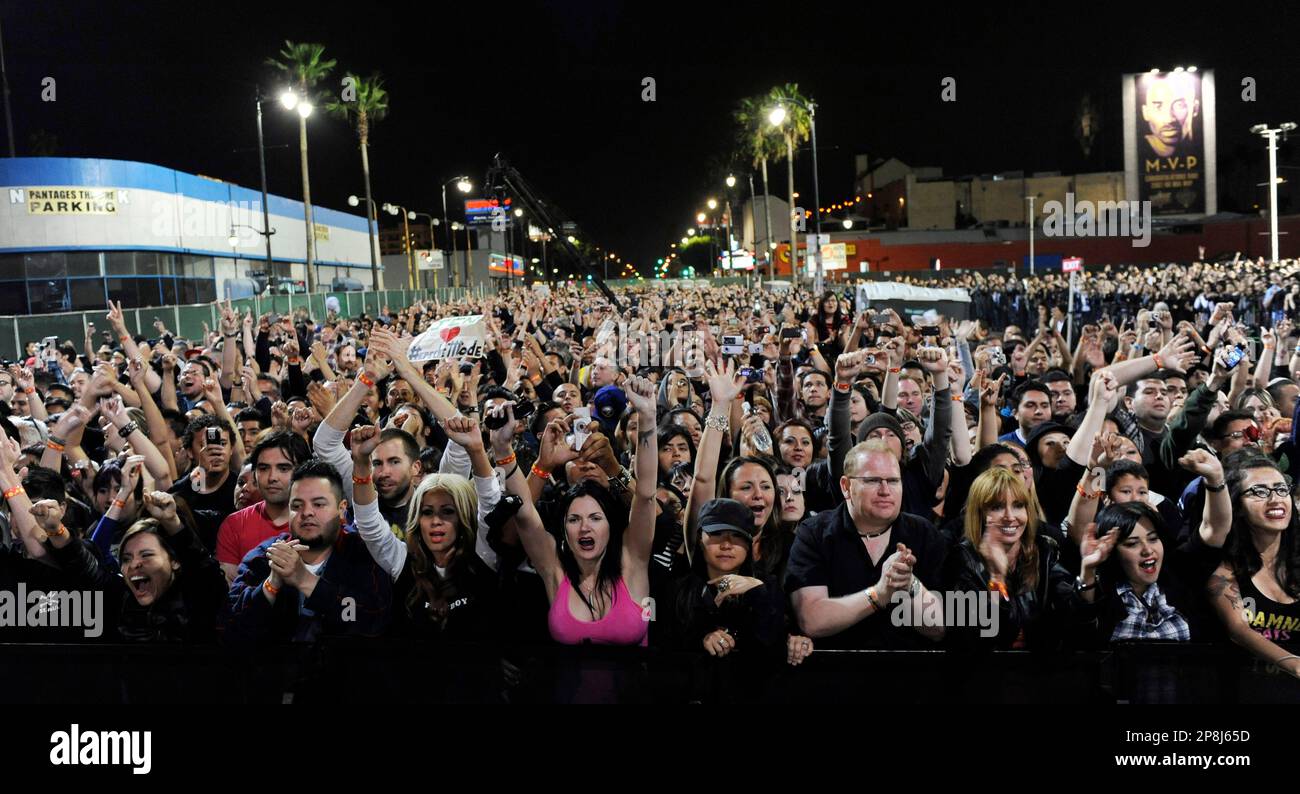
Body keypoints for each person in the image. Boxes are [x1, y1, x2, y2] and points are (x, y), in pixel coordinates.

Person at [494, 376, 658, 648]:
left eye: (595, 518)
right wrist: (503, 449)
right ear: (564, 529)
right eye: (574, 519)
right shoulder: (554, 572)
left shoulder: (633, 561)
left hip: (632, 691)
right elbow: (524, 515)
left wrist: (648, 417)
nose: (585, 528)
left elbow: (646, 495)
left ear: (610, 525)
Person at [785, 439, 948, 649]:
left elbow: (940, 629)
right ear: (846, 486)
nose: (885, 490)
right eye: (872, 481)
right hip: (834, 674)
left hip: (909, 674)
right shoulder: (814, 533)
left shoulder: (924, 533)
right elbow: (812, 620)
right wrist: (878, 594)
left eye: (893, 481)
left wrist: (909, 584)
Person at [351, 419, 501, 642]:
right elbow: (369, 523)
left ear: (463, 517)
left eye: (448, 512)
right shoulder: (403, 561)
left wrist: (477, 449)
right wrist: (362, 462)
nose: (436, 521)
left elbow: (490, 504)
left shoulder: (483, 554)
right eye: (427, 512)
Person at [224, 459, 393, 644]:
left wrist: (305, 580)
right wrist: (271, 586)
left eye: (318, 504)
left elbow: (374, 620)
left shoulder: (363, 553)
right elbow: (231, 628)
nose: (306, 513)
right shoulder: (263, 557)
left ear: (342, 509)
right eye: (296, 506)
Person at [36, 490, 227, 643]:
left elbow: (205, 571)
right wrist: (56, 529)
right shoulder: (119, 599)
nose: (134, 564)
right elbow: (85, 566)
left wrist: (172, 522)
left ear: (175, 561)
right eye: (126, 558)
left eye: (147, 555)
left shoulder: (198, 596)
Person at [941, 467, 1078, 650]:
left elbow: (1072, 619)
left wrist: (1088, 573)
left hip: (1041, 671)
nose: (1010, 517)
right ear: (980, 513)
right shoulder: (962, 560)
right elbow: (971, 642)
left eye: (1018, 505)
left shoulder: (1045, 550)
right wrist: (997, 579)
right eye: (997, 507)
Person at [1206, 452, 1300, 682]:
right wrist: (1296, 665)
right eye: (1259, 491)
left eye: (1280, 489)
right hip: (1249, 691)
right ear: (1237, 505)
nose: (1275, 499)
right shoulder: (1225, 572)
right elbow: (1239, 630)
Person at [215, 430, 311, 584]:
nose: (272, 477)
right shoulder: (234, 524)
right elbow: (233, 596)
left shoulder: (321, 521)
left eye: (284, 468)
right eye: (264, 468)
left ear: (303, 471)